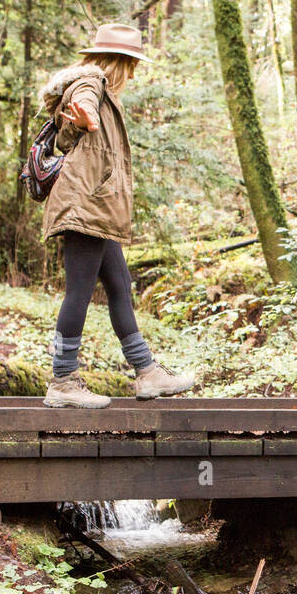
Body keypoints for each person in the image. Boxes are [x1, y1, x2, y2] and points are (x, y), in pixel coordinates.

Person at [36, 22, 196, 408]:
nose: (134, 74)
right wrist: (84, 116)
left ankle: (147, 373)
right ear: (119, 62)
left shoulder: (99, 92)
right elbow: (82, 106)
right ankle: (62, 381)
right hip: (86, 204)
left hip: (97, 206)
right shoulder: (90, 81)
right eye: (131, 64)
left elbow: (64, 137)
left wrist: (79, 123)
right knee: (79, 291)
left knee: (121, 285)